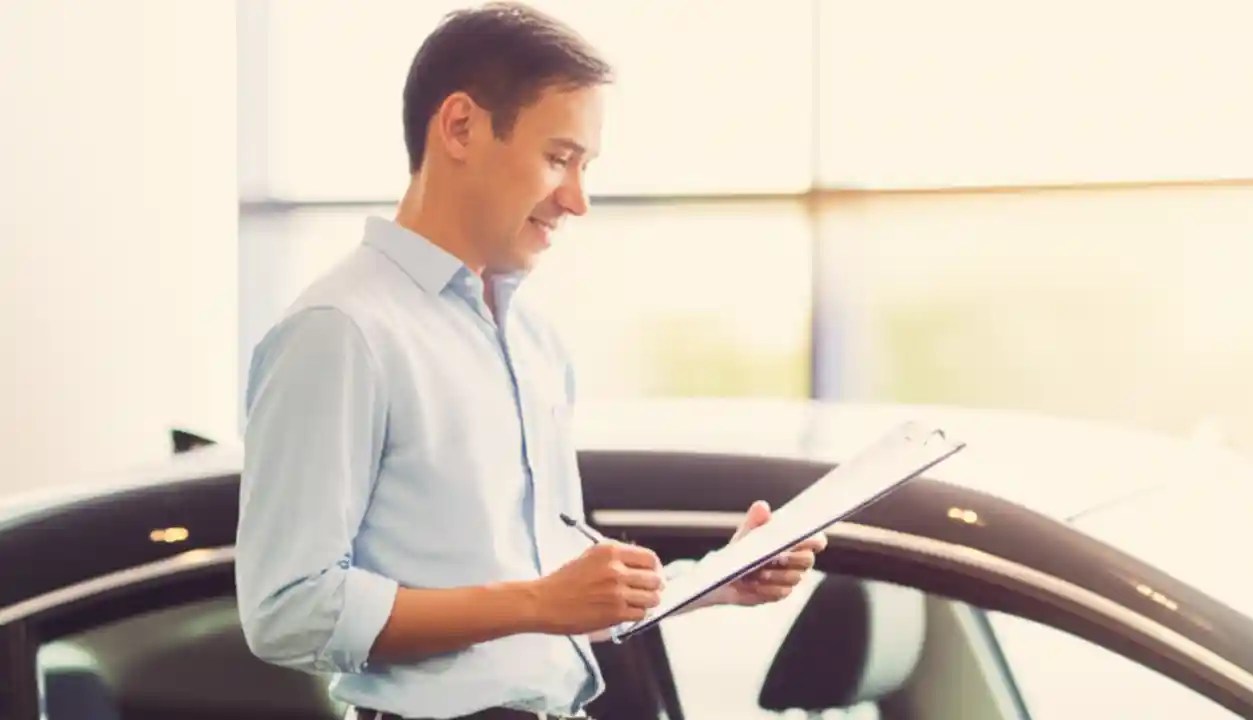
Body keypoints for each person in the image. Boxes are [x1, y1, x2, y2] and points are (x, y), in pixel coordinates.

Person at [234, 3, 827, 719]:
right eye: (559, 159)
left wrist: (721, 578)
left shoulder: (533, 343)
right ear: (459, 127)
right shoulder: (340, 330)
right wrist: (542, 601)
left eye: (586, 167)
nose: (577, 200)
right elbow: (287, 608)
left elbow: (549, 601)